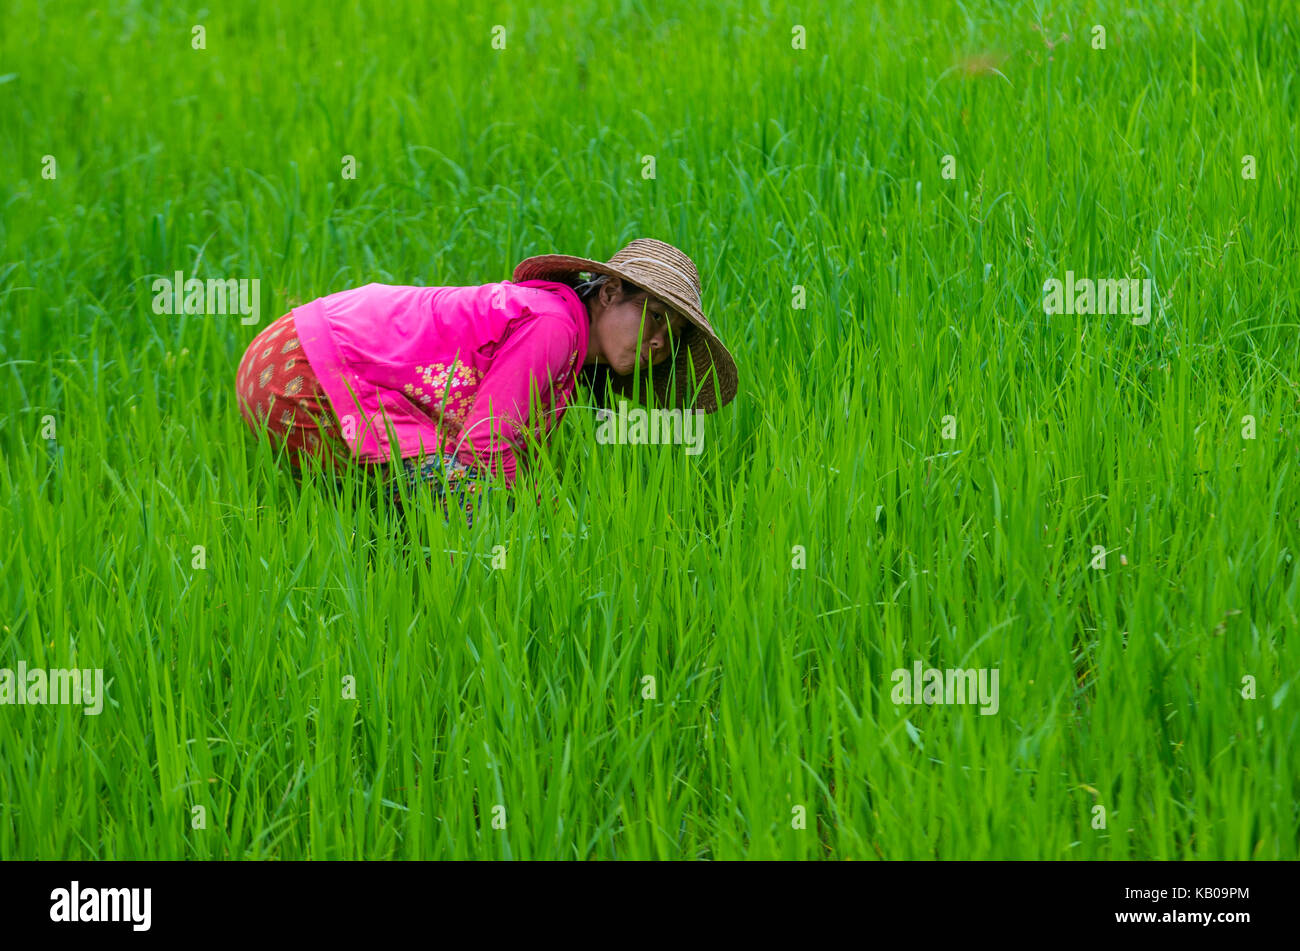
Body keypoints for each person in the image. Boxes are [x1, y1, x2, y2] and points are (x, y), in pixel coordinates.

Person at [235, 238, 739, 524]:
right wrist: (546, 517)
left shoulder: (558, 344)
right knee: (484, 518)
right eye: (653, 318)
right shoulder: (554, 324)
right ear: (609, 293)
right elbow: (487, 440)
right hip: (307, 372)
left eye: (670, 338)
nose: (657, 344)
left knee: (375, 525)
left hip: (287, 362)